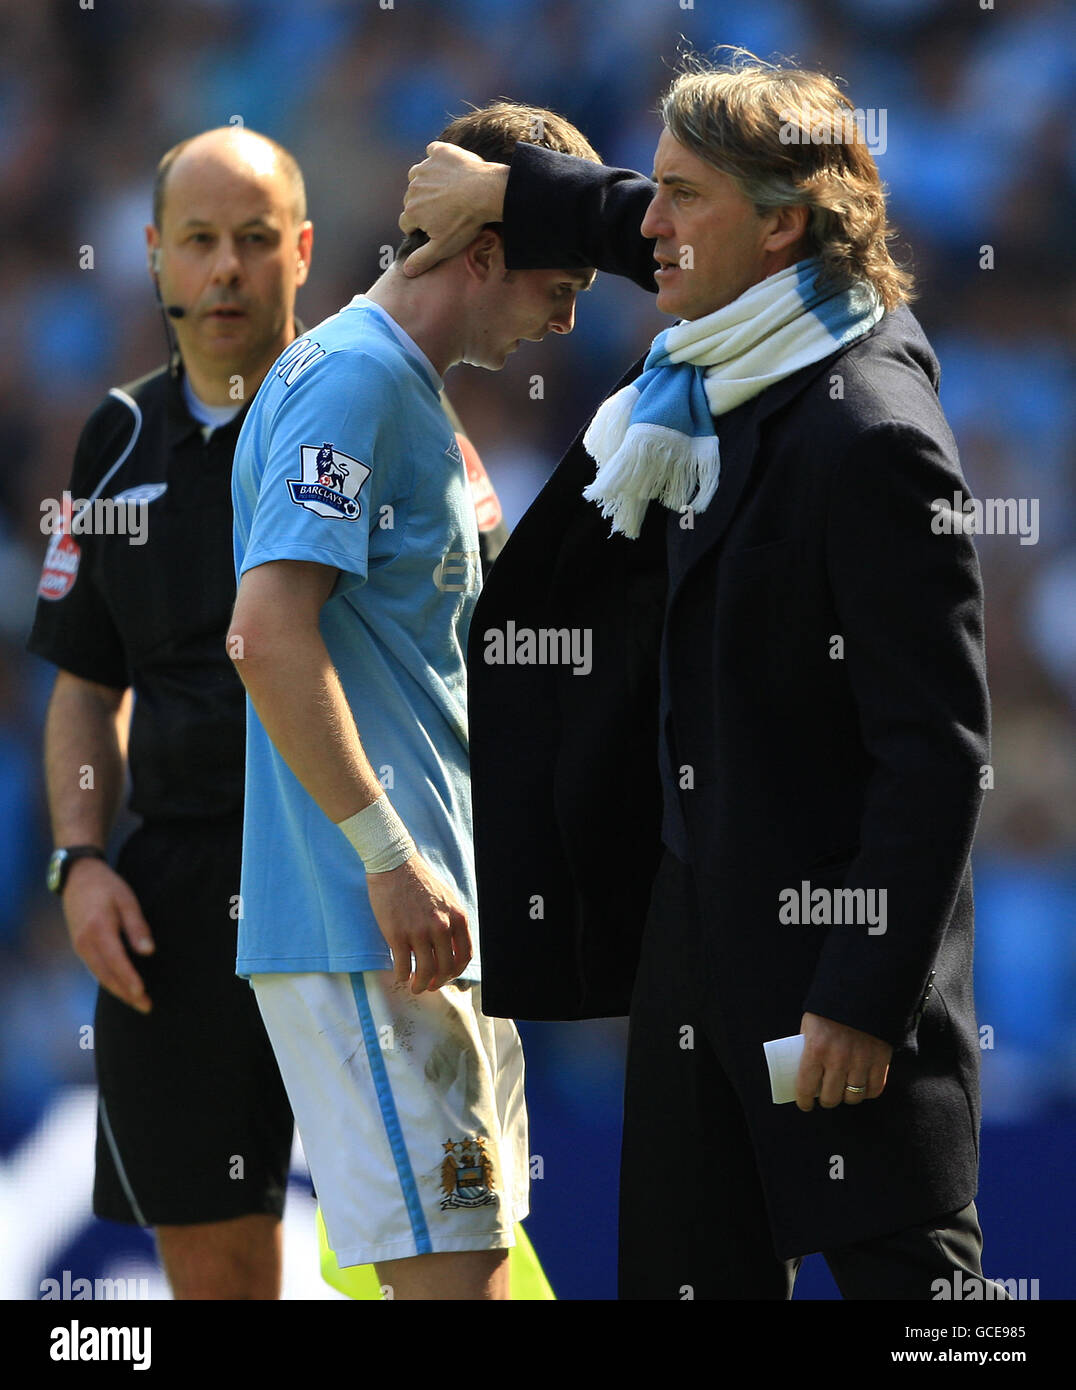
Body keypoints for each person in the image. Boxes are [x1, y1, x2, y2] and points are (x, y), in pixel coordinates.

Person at [400, 53, 1002, 1300]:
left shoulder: (869, 432)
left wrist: (858, 992)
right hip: (691, 949)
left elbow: (934, 753)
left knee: (922, 1304)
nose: (648, 230)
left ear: (781, 221)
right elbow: (643, 217)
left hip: (830, 983)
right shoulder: (734, 351)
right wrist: (511, 188)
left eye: (679, 197)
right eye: (648, 197)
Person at [25, 124, 508, 1301]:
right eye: (199, 241)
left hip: (354, 872)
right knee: (217, 1269)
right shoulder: (115, 440)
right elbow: (87, 689)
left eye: (253, 239)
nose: (227, 268)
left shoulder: (370, 401)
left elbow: (482, 658)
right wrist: (80, 861)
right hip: (180, 897)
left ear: (301, 249)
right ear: (151, 255)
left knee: (442, 1247)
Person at [227, 102, 599, 1302]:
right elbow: (265, 633)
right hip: (372, 917)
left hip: (428, 916)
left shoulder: (407, 391)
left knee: (475, 1272)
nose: (570, 313)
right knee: (457, 1285)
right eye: (561, 275)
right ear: (481, 249)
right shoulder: (354, 383)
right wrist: (387, 856)